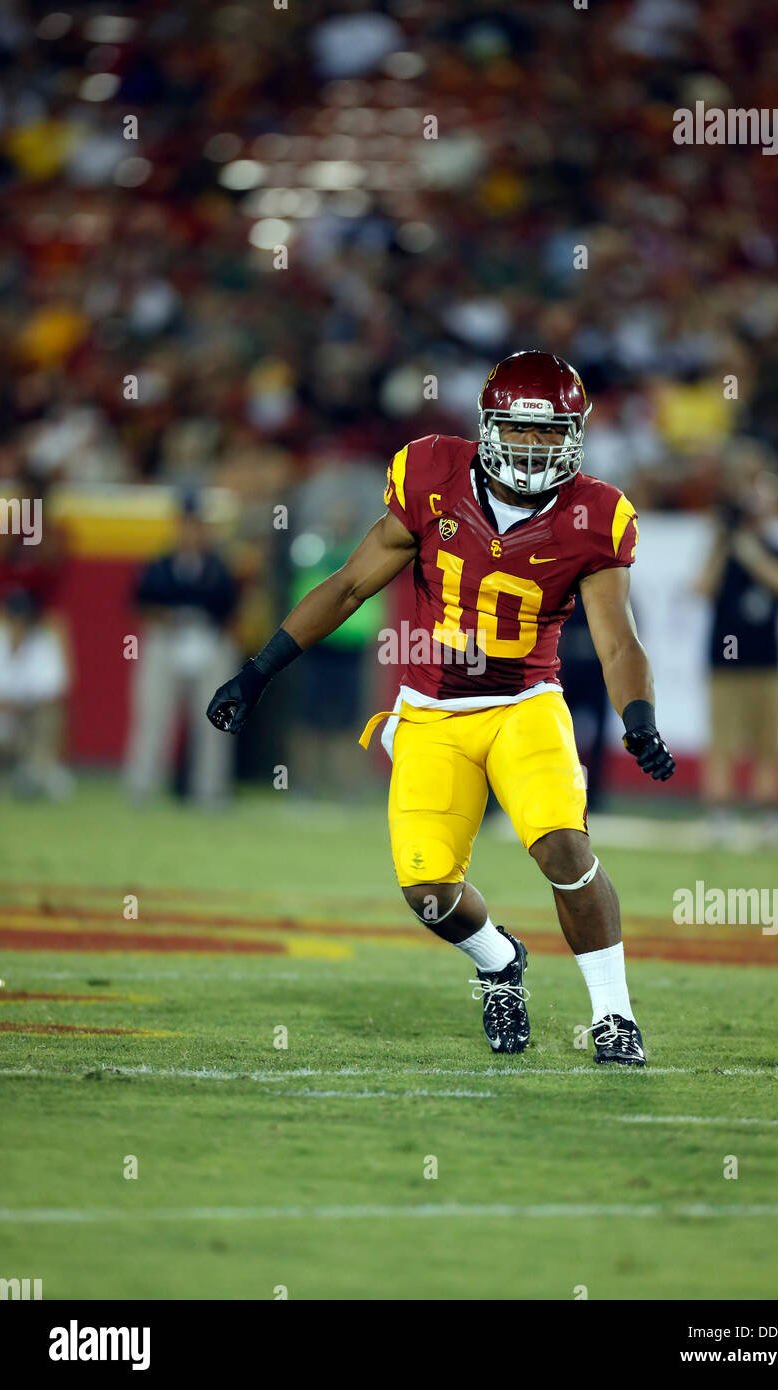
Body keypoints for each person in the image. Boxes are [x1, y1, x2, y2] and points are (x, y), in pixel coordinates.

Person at [207, 352, 675, 1065]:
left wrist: (636, 718)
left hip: (525, 703)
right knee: (426, 887)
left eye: (551, 433)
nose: (534, 446)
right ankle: (498, 962)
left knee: (563, 847)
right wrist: (258, 670)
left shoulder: (595, 513)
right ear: (486, 426)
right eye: (520, 429)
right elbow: (348, 587)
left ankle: (614, 1017)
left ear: (575, 436)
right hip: (431, 711)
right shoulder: (431, 474)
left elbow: (618, 640)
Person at [125, 494, 239, 806]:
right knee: (153, 717)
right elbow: (139, 604)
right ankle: (141, 787)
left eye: (197, 526)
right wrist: (169, 617)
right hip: (166, 640)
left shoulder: (218, 567)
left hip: (208, 641)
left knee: (216, 720)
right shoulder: (159, 565)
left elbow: (232, 610)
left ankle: (211, 792)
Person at [696, 476, 778, 840]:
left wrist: (749, 550)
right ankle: (719, 818)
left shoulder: (777, 552)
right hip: (725, 664)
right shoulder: (723, 552)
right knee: (722, 743)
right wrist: (725, 543)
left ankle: (769, 819)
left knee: (769, 744)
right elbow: (702, 588)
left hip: (768, 665)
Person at [0, 588, 73, 798]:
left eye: (24, 620)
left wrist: (15, 704)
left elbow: (53, 692)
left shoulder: (43, 642)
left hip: (26, 722)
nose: (18, 625)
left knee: (50, 713)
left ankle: (35, 772)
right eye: (14, 619)